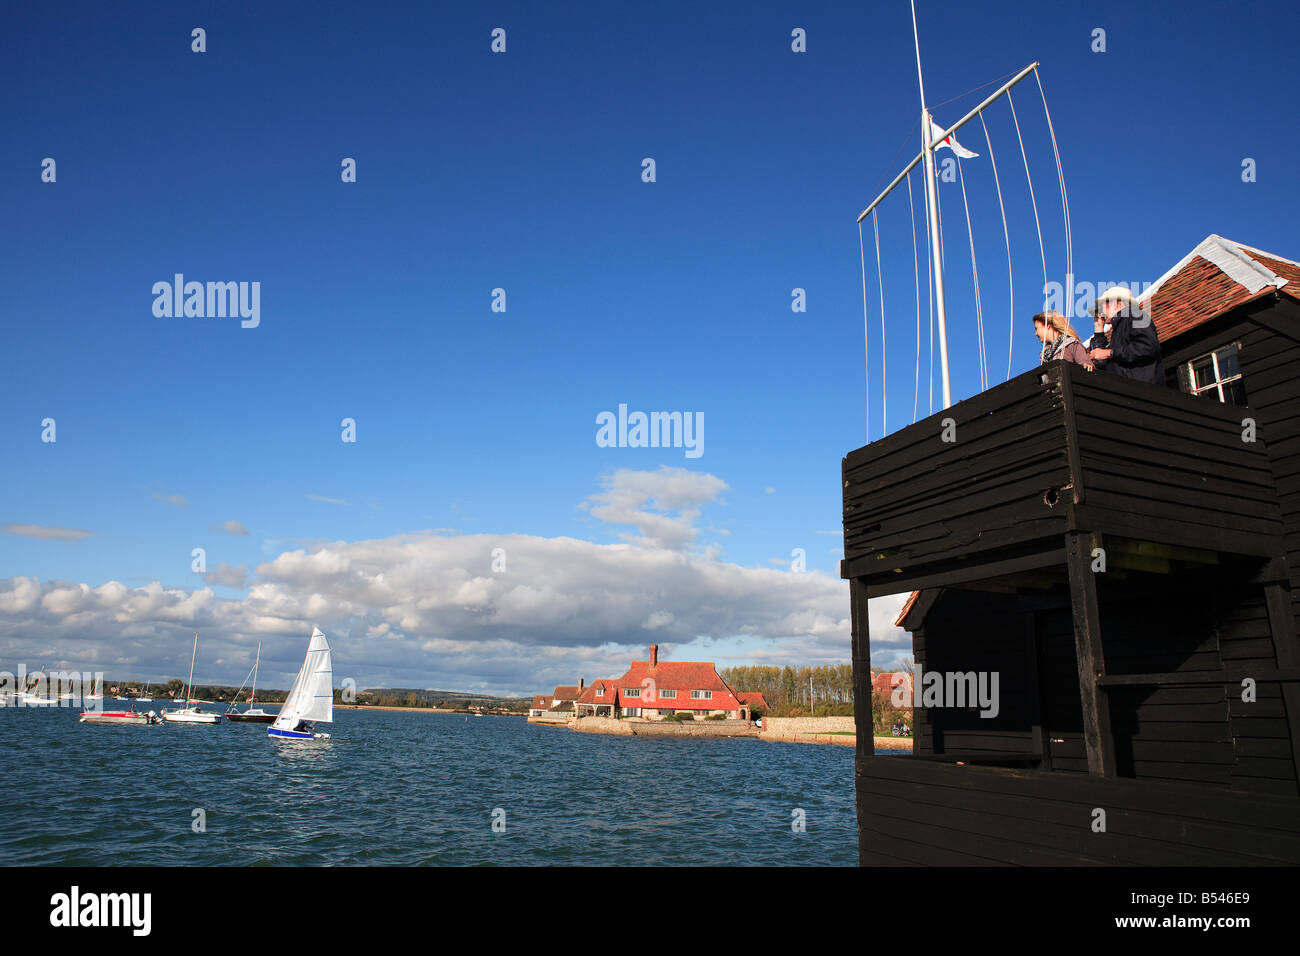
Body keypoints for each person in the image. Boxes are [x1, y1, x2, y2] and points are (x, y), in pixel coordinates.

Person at [1089, 287, 1165, 386]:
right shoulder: (1118, 328)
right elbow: (1102, 362)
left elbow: (1147, 347)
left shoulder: (1135, 316)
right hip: (1128, 391)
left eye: (1103, 306)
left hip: (1143, 391)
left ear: (1115, 304)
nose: (1101, 313)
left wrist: (1110, 352)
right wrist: (1099, 331)